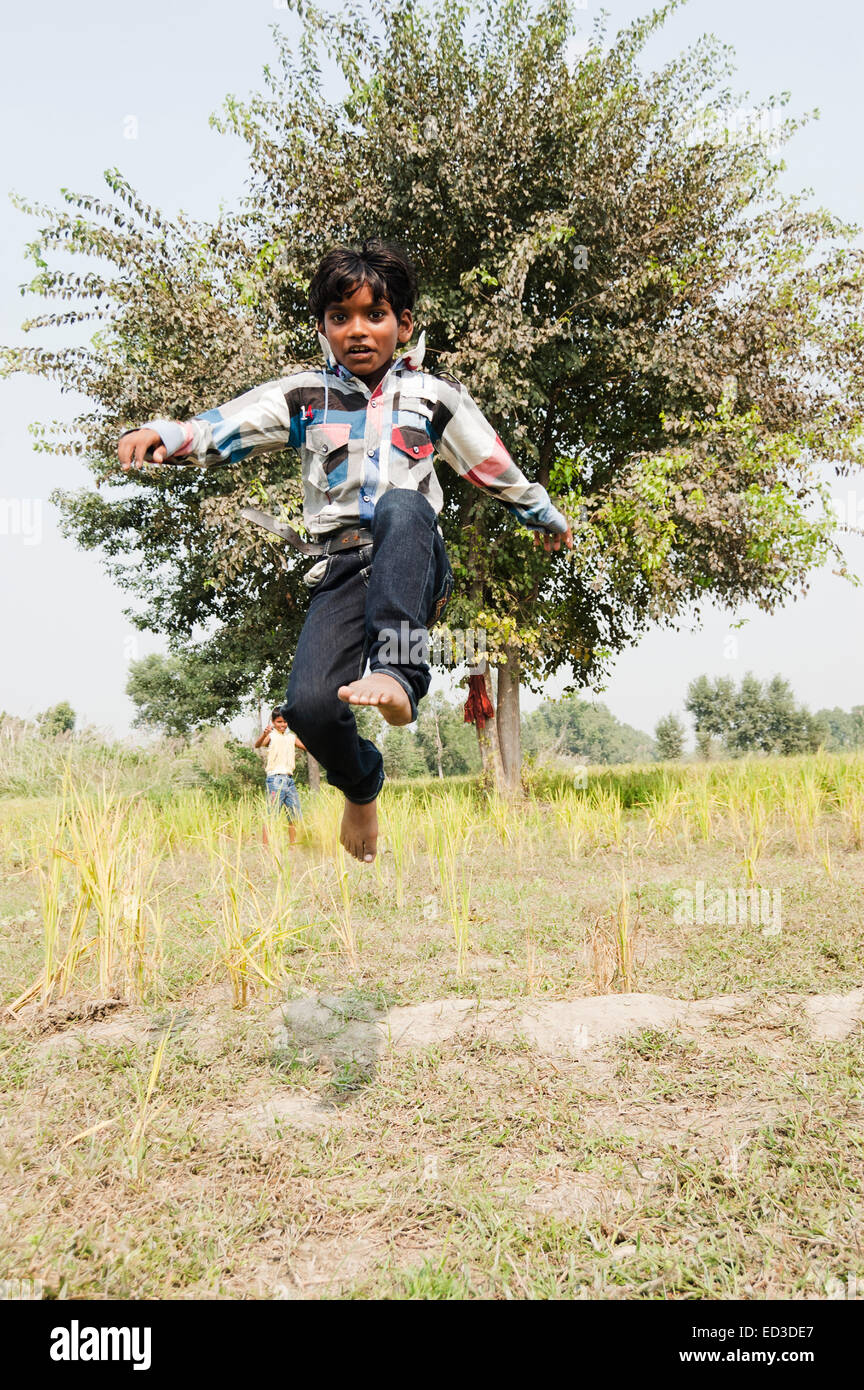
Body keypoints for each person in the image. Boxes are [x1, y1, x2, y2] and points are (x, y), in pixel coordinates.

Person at [118, 240, 572, 863]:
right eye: (341, 318)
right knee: (307, 706)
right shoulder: (304, 397)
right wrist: (169, 435)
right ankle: (361, 786)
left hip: (412, 557)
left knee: (403, 505)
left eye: (375, 315)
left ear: (404, 324)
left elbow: (489, 460)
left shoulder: (435, 396)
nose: (358, 331)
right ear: (324, 327)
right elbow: (229, 423)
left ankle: (400, 677)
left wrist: (540, 512)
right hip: (342, 564)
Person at [255, 707, 305, 842]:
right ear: (273, 722)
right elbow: (258, 745)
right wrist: (264, 734)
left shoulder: (291, 737)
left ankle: (293, 846)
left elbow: (306, 746)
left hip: (289, 780)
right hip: (275, 780)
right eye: (279, 722)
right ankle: (265, 848)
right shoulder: (271, 736)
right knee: (272, 815)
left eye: (285, 722)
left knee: (294, 815)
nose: (282, 725)